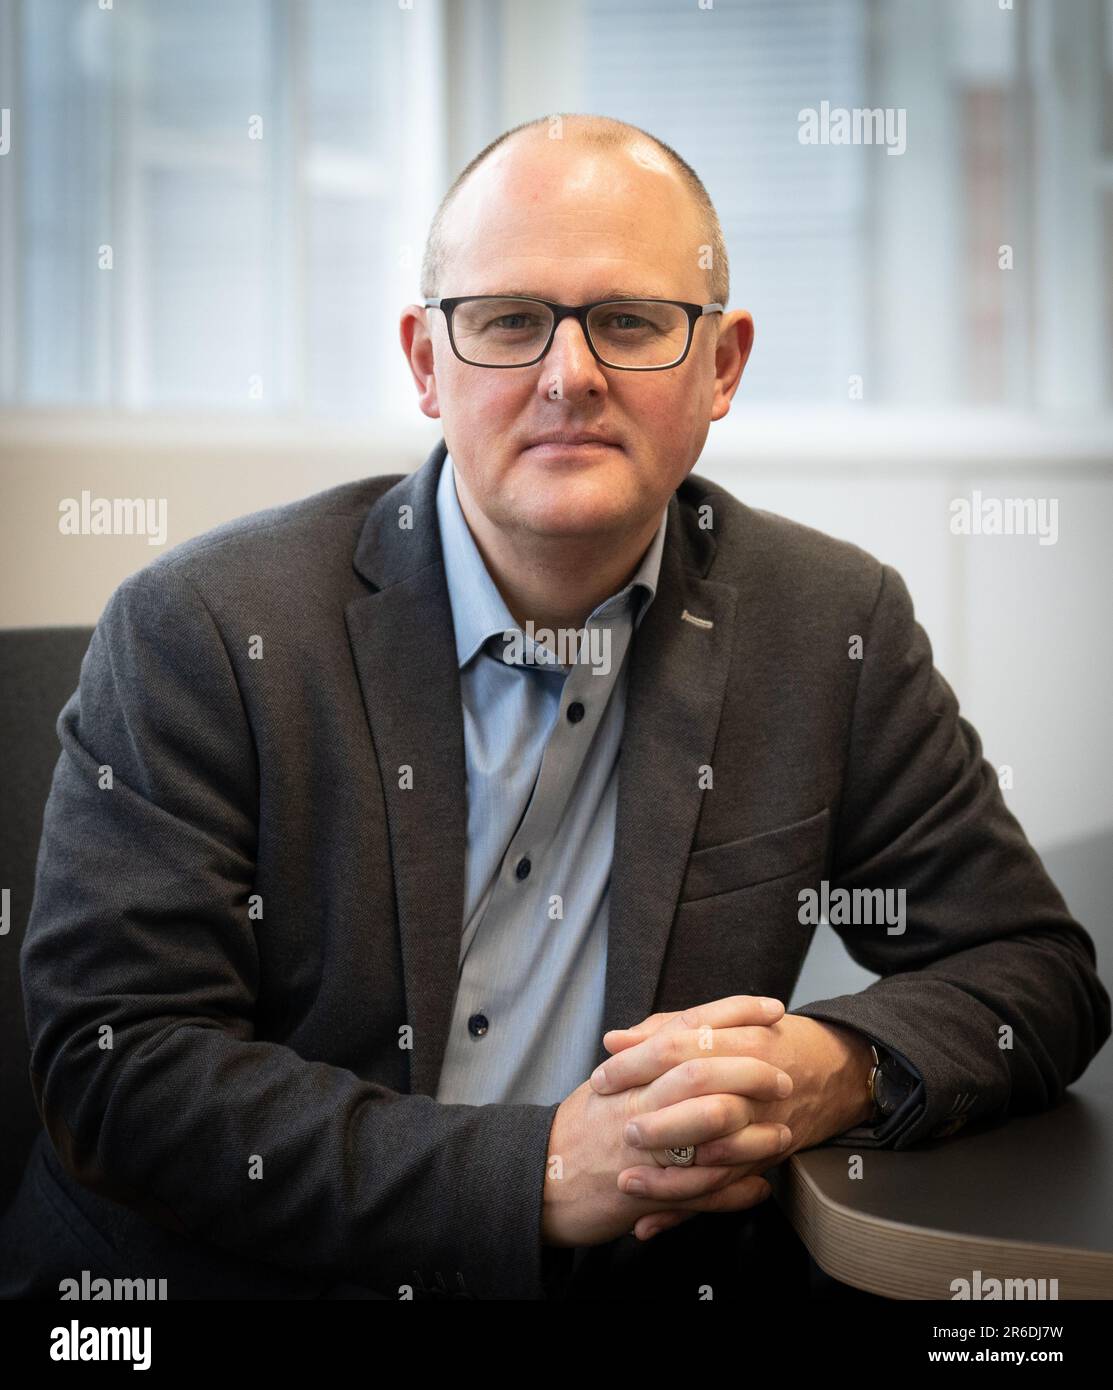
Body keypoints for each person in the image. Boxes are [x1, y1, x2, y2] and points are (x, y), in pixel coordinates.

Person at [1, 113, 1107, 1301]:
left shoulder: (829, 624)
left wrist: (824, 1067)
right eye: (509, 321)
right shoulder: (200, 629)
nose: (568, 376)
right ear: (429, 364)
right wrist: (540, 1172)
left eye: (629, 322)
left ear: (721, 366)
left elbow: (1035, 971)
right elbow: (119, 1073)